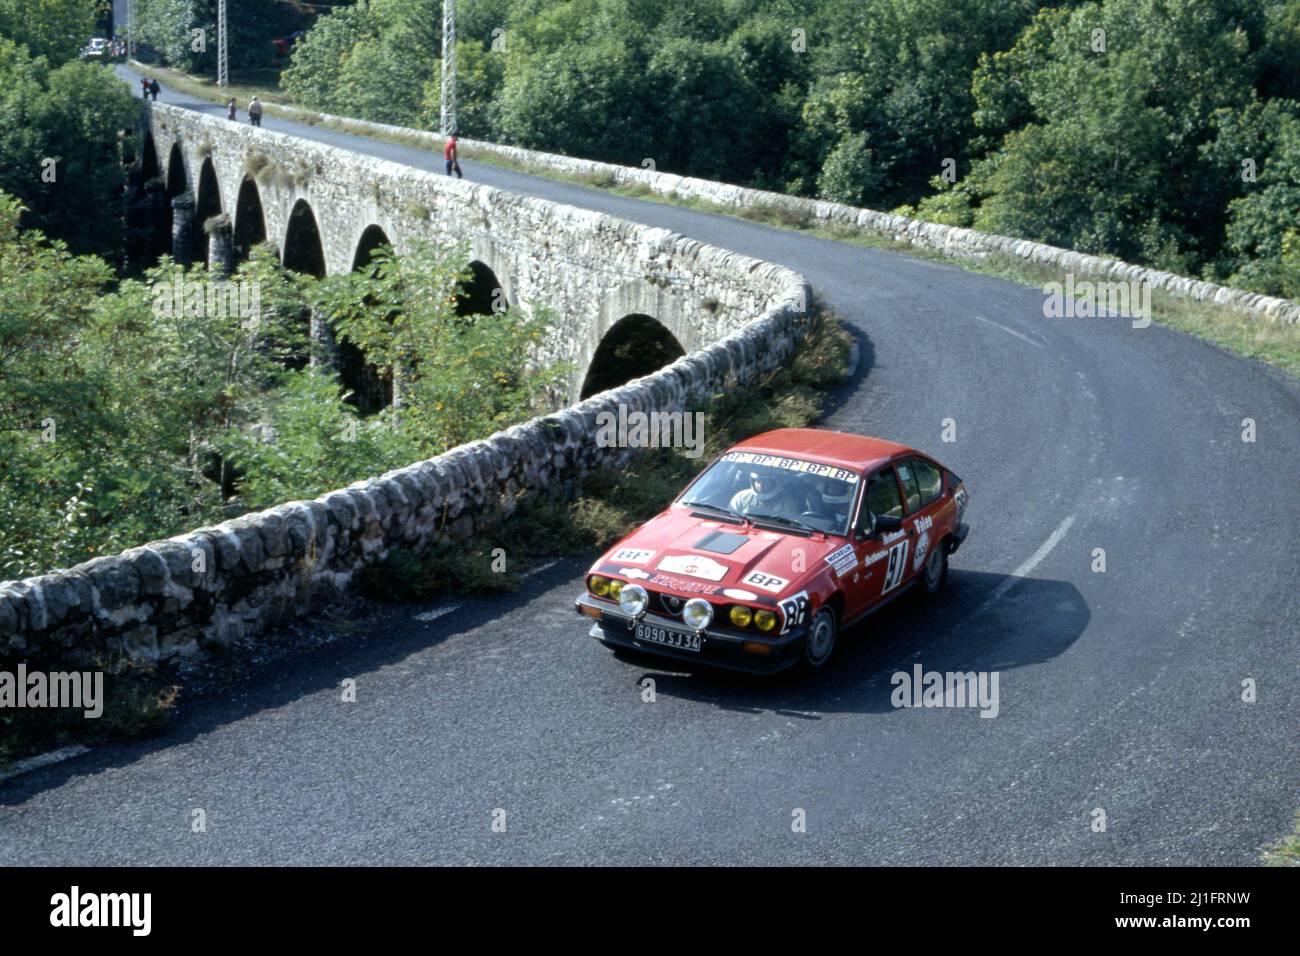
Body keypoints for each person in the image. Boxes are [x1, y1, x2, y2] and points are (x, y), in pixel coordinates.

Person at [729, 470, 802, 519]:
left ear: (775, 482)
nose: (761, 486)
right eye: (758, 481)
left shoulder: (788, 504)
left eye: (765, 481)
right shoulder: (741, 497)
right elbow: (731, 517)